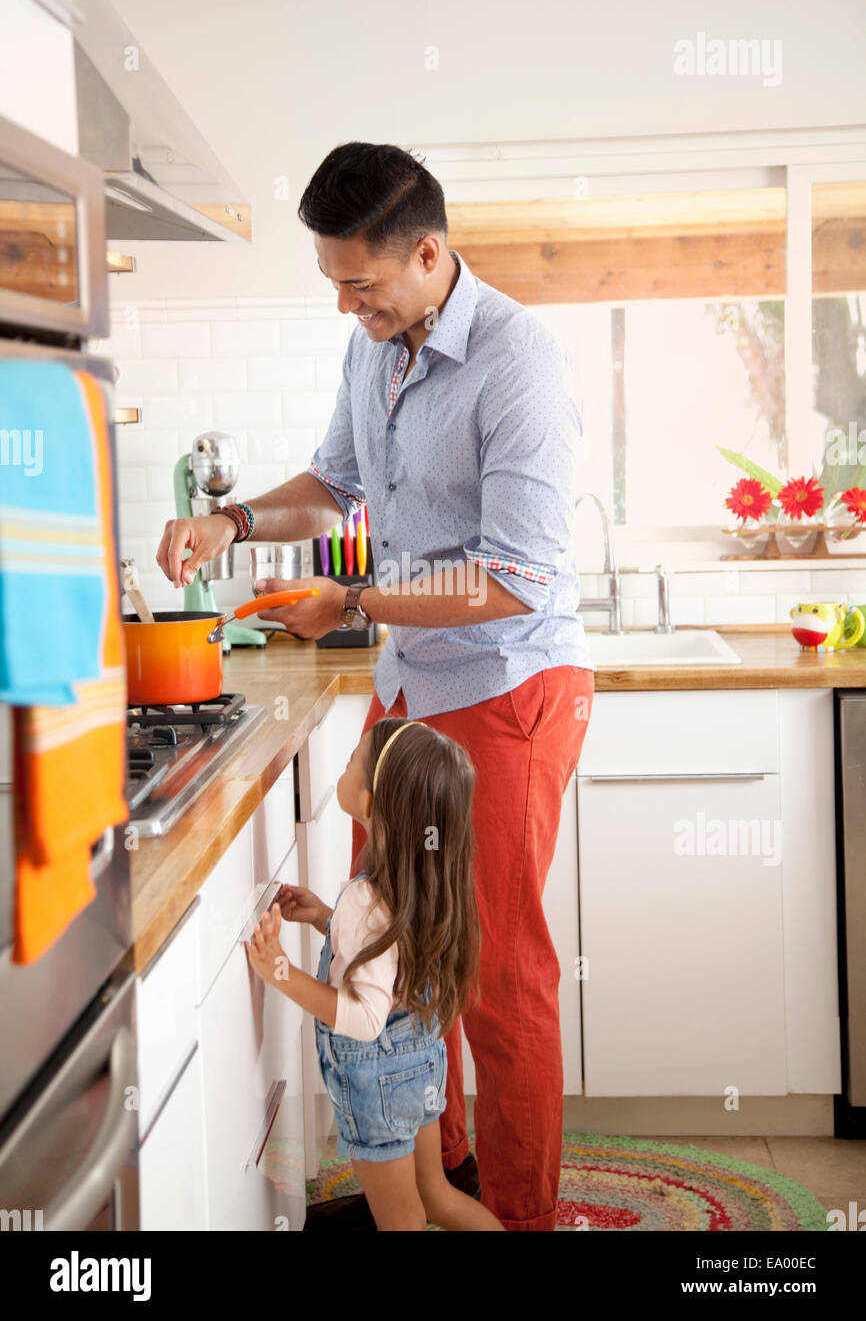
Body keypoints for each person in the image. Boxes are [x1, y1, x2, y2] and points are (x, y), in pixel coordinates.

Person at [156, 140, 595, 1231]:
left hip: (503, 689)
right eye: (334, 284)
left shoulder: (517, 362)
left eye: (360, 284)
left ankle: (521, 1215)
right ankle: (428, 1190)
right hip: (410, 686)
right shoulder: (376, 351)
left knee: (492, 972)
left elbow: (513, 576)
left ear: (429, 254)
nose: (346, 306)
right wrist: (235, 520)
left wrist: (353, 603)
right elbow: (336, 481)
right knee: (392, 948)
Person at [245, 715, 504, 1232]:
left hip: (378, 1081)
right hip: (422, 1064)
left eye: (352, 761)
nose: (344, 763)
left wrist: (281, 972)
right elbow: (380, 956)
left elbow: (364, 1019)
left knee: (402, 1221)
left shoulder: (368, 895)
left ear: (370, 805)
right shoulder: (422, 881)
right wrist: (323, 915)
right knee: (437, 1197)